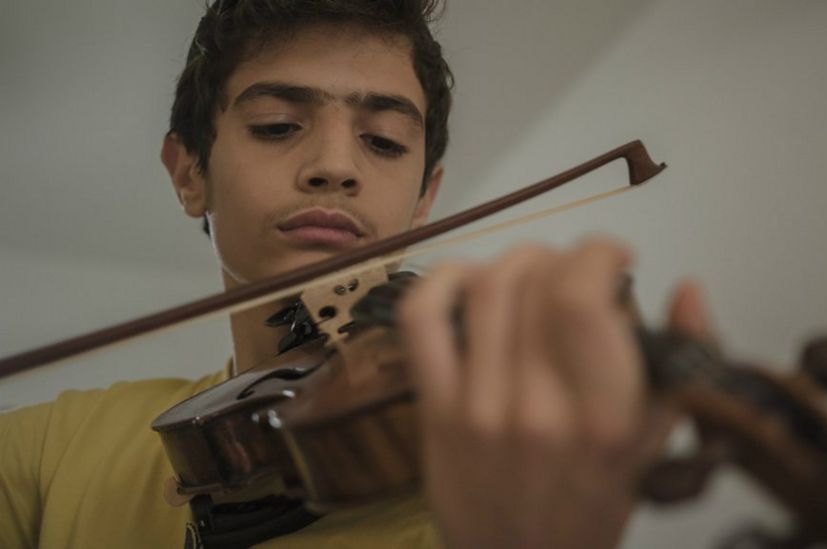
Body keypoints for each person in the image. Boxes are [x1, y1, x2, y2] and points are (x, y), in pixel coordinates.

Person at [0, 1, 713, 547]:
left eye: (382, 141)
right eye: (279, 125)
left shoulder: (497, 488)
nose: (337, 166)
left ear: (423, 200)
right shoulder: (55, 448)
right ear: (190, 172)